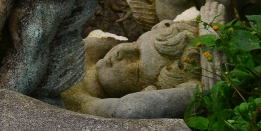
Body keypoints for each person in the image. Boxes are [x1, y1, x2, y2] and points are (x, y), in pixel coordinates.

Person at [62, 21, 202, 118]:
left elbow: (130, 110)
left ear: (147, 92)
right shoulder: (91, 46)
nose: (122, 50)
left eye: (136, 59)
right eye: (135, 42)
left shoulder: (89, 107)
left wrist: (198, 91)